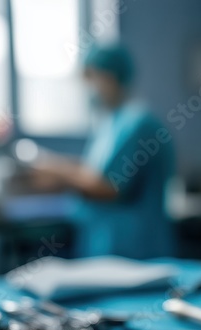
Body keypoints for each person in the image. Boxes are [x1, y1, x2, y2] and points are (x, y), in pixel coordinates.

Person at [30, 44, 175, 259]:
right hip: (103, 242)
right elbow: (93, 169)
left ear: (110, 76)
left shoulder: (139, 125)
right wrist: (55, 167)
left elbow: (110, 186)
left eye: (92, 77)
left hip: (133, 247)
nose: (88, 87)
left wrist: (59, 173)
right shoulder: (110, 123)